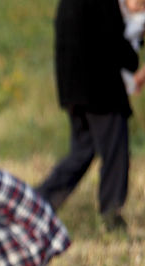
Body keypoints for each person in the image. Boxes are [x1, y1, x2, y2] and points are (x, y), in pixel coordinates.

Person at [37, 0, 145, 231]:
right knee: (115, 152)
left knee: (82, 152)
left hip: (72, 87)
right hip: (100, 89)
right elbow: (113, 41)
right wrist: (132, 57)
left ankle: (39, 202)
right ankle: (111, 214)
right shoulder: (100, 5)